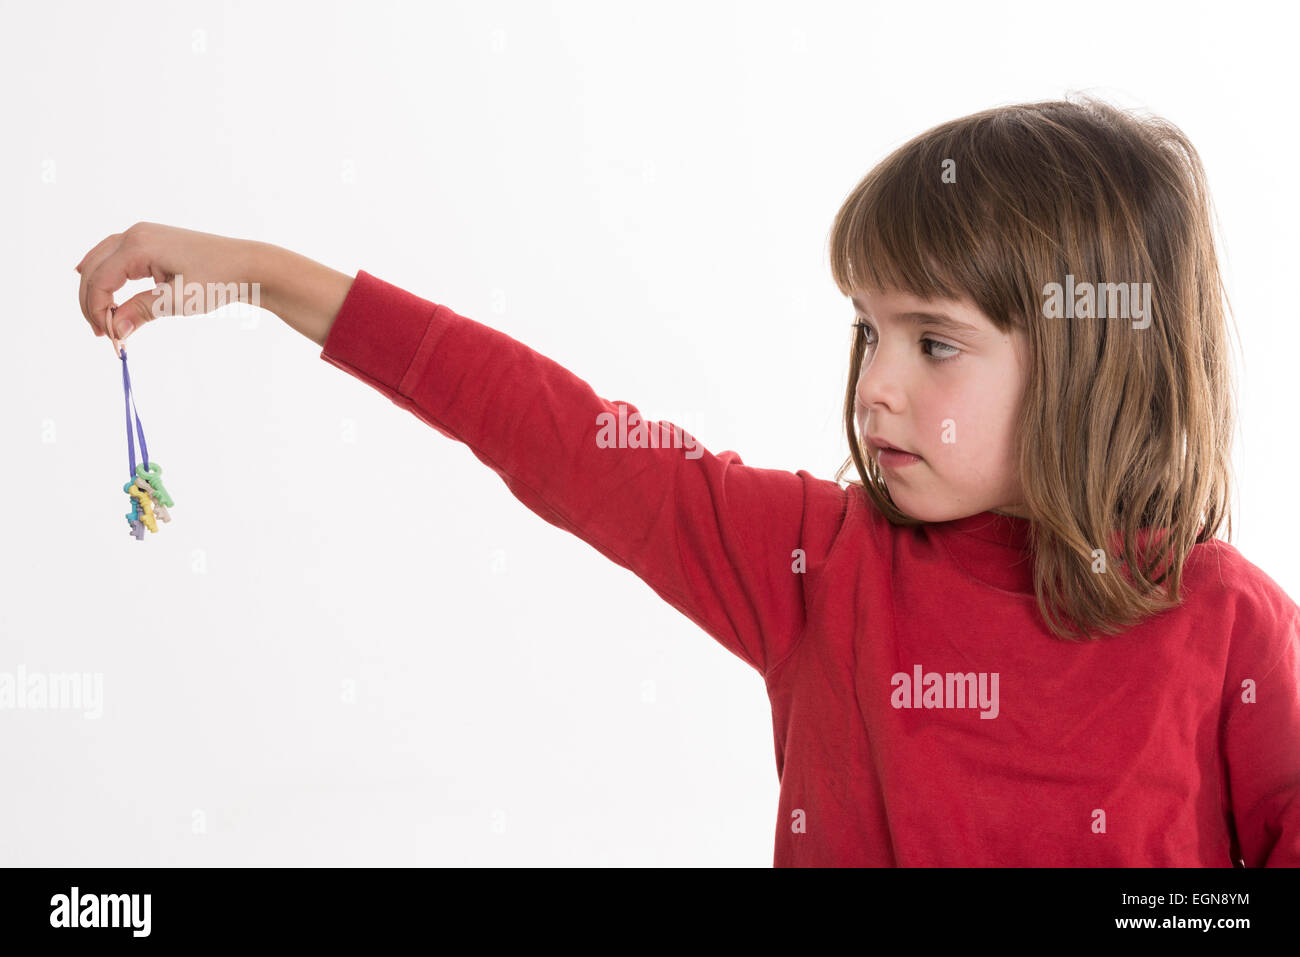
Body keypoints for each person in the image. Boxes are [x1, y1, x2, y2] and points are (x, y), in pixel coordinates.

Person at [73, 95, 1300, 867]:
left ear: (1092, 356)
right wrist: (271, 278)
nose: (874, 384)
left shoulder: (1231, 625)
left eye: (931, 340)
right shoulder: (815, 562)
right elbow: (551, 429)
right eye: (864, 332)